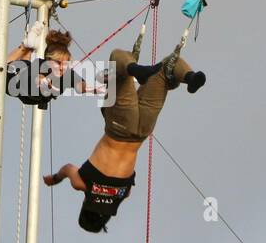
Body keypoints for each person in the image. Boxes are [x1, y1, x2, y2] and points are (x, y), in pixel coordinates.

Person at [44, 48, 205, 232]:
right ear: (84, 209)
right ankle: (135, 70)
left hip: (142, 131)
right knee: (116, 63)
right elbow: (67, 169)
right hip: (119, 127)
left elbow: (124, 187)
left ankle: (190, 77)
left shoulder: (124, 194)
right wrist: (55, 179)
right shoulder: (81, 184)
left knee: (165, 70)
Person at [0, 21, 87, 109]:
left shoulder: (67, 73)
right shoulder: (42, 67)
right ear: (48, 60)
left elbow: (82, 86)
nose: (62, 67)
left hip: (27, 85)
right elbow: (37, 78)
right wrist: (43, 81)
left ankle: (29, 46)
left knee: (24, 64)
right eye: (58, 63)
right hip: (18, 84)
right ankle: (25, 46)